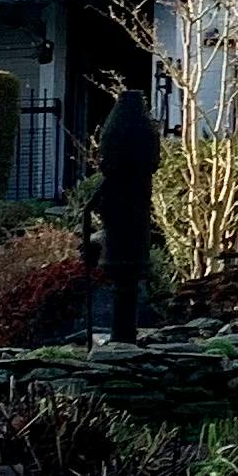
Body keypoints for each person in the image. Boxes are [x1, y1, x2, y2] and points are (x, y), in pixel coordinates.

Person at [94, 85, 161, 340]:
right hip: (131, 216)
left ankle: (122, 337)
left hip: (125, 216)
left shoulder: (119, 131)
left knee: (125, 275)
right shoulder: (143, 131)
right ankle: (123, 336)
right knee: (126, 275)